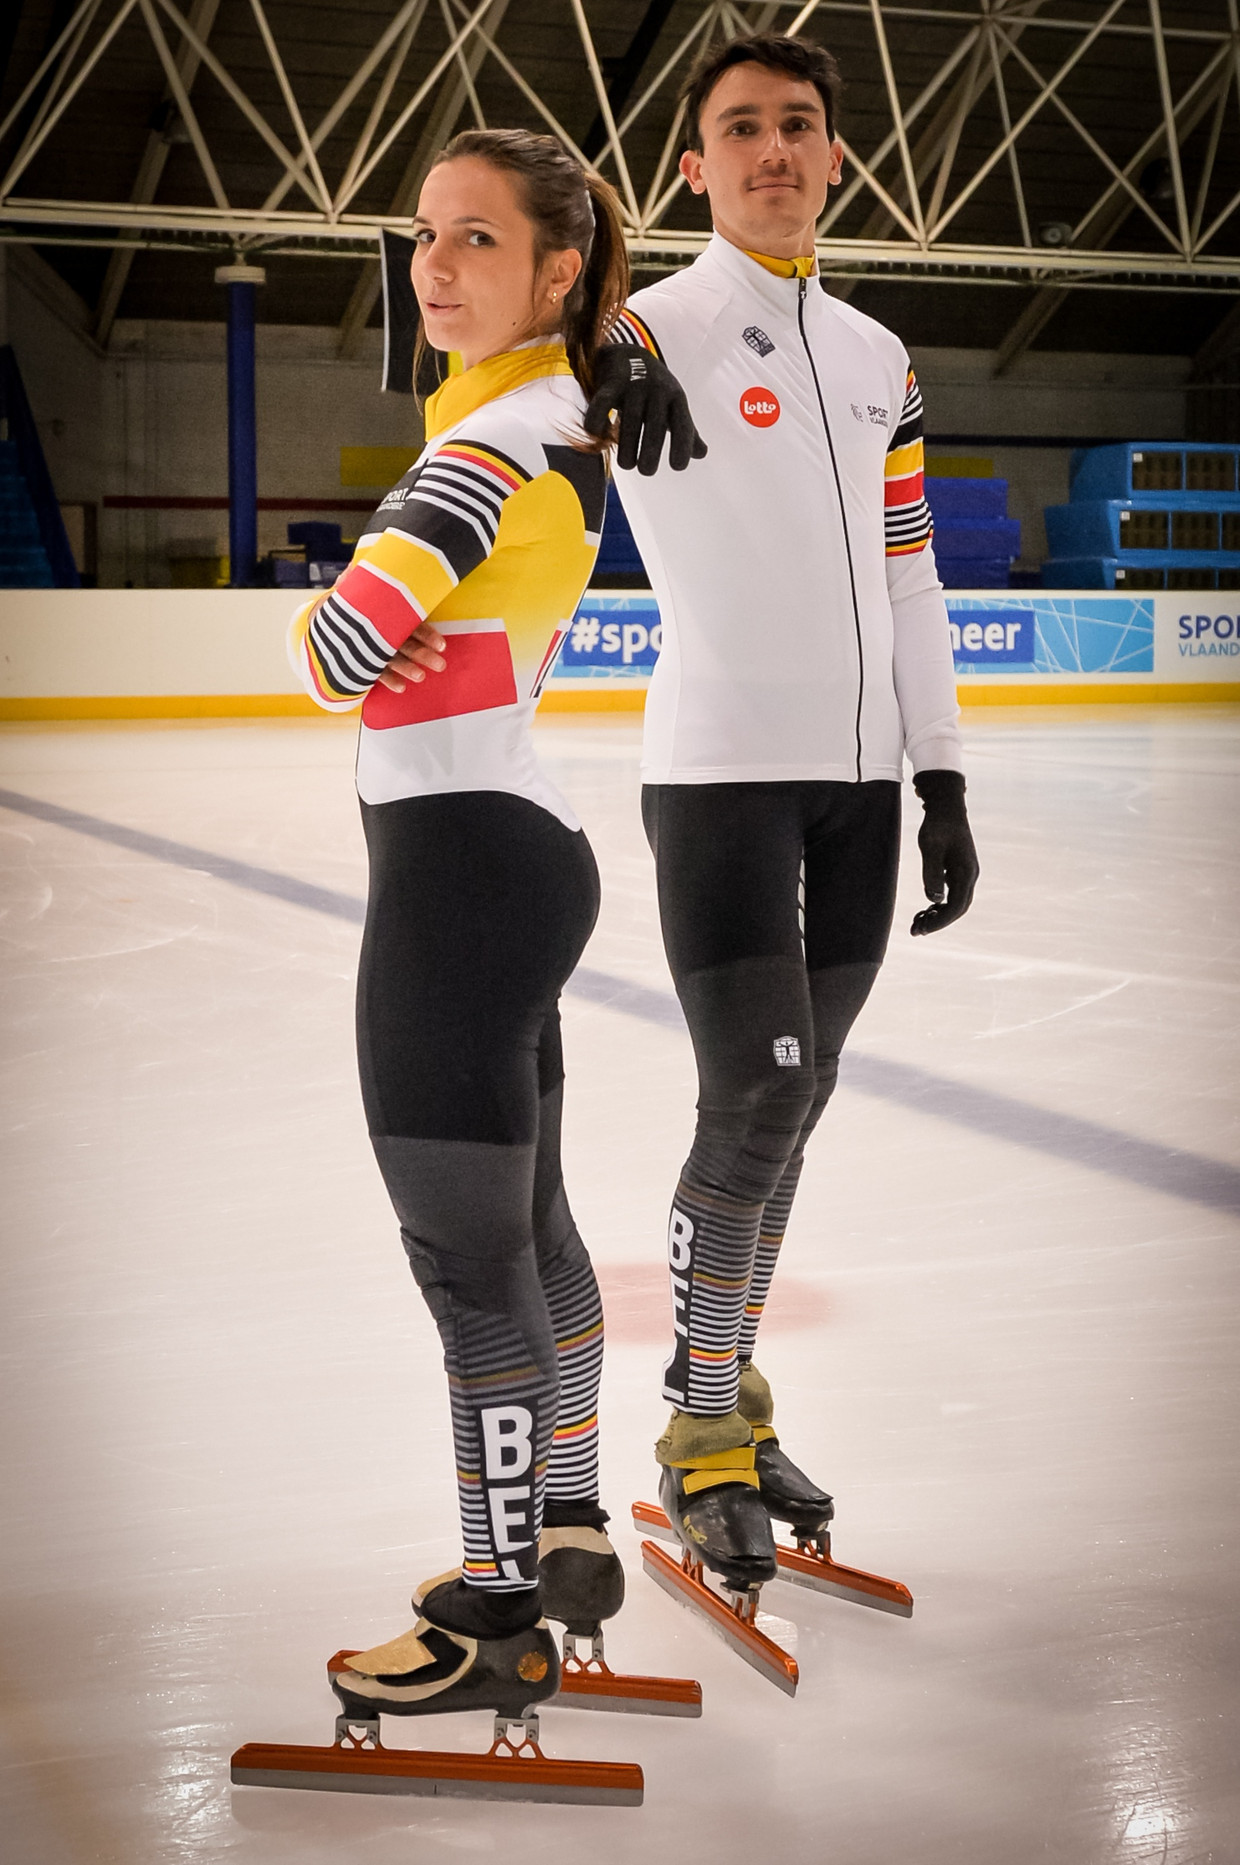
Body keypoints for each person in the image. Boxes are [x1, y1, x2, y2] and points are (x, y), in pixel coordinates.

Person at [597, 33, 980, 1589]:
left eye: (798, 127)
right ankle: (697, 1428)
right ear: (695, 167)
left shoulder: (884, 358)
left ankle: (731, 1402)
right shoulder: (645, 327)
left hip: (862, 788)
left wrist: (940, 768)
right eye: (739, 129)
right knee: (753, 1098)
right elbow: (494, 357)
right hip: (719, 779)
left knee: (795, 1106)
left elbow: (909, 568)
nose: (772, 150)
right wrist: (590, 348)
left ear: (837, 156)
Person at [289, 129, 631, 1726]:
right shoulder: (556, 413)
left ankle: (497, 1612)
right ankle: (562, 1516)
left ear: (553, 271)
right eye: (424, 234)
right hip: (518, 854)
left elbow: (342, 649)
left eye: (475, 239)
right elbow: (449, 644)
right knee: (537, 1241)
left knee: (467, 1270)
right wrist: (428, 645)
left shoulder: (485, 447)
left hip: (456, 889)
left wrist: (352, 619)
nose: (432, 265)